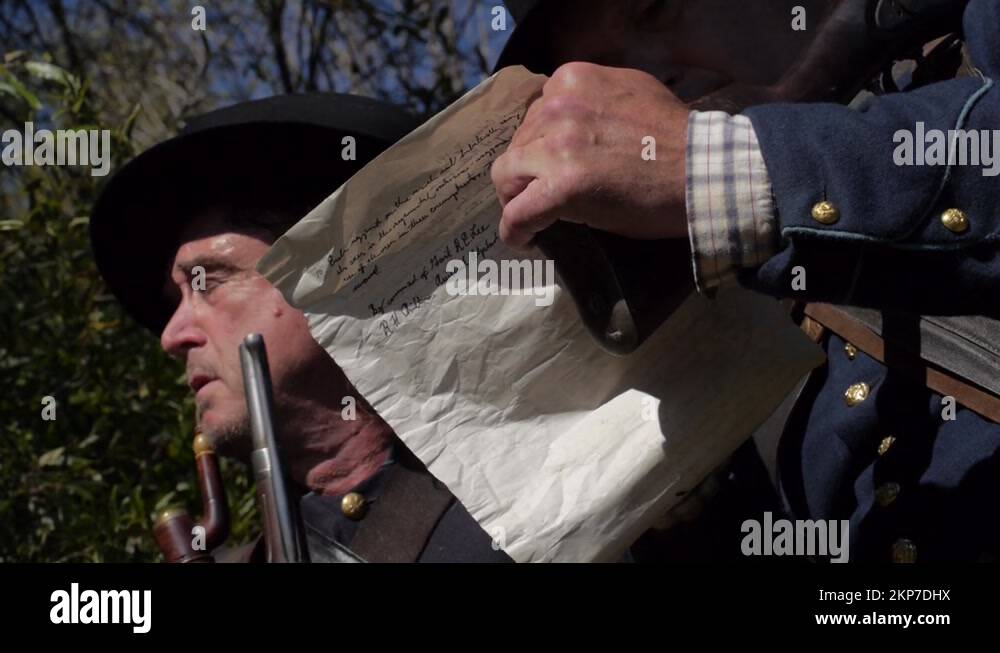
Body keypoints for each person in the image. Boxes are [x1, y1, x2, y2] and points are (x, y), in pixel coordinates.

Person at [492, 0, 1000, 561]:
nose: (652, 72)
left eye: (654, 11)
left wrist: (712, 164)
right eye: (604, 65)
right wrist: (682, 518)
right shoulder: (724, 311)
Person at [90, 93, 512, 562]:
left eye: (209, 282)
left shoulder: (528, 510)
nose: (172, 337)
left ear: (342, 279)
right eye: (178, 300)